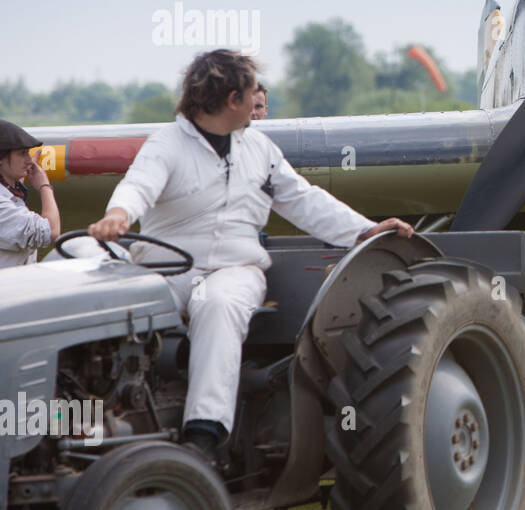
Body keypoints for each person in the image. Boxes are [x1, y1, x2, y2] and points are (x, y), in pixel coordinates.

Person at [87, 49, 413, 461]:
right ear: (232, 100)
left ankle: (202, 438)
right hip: (166, 267)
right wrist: (119, 215)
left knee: (219, 304)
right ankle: (102, 415)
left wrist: (364, 230)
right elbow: (138, 186)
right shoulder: (166, 144)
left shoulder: (259, 149)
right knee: (120, 310)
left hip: (235, 269)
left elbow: (303, 200)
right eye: (251, 91)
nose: (259, 98)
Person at [0, 120, 61, 268]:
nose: (29, 160)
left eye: (28, 153)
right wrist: (44, 186)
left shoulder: (9, 194)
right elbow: (51, 232)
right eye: (22, 154)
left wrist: (17, 177)